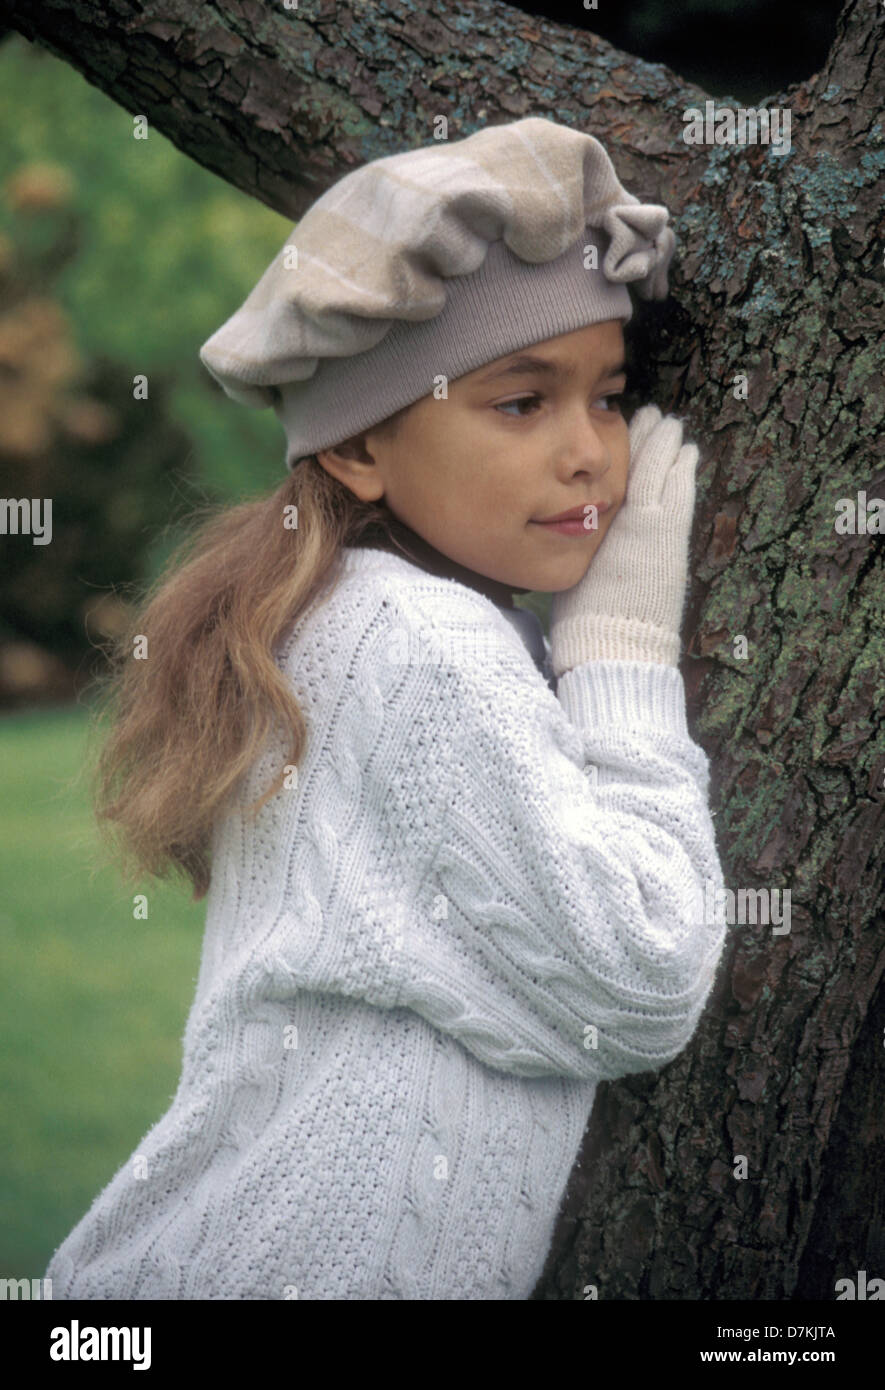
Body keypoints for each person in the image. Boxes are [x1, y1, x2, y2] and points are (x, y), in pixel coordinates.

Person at [46, 116, 728, 1300]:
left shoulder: (333, 615)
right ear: (360, 445)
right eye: (522, 404)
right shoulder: (418, 637)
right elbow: (641, 979)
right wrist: (619, 653)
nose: (593, 455)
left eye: (608, 398)